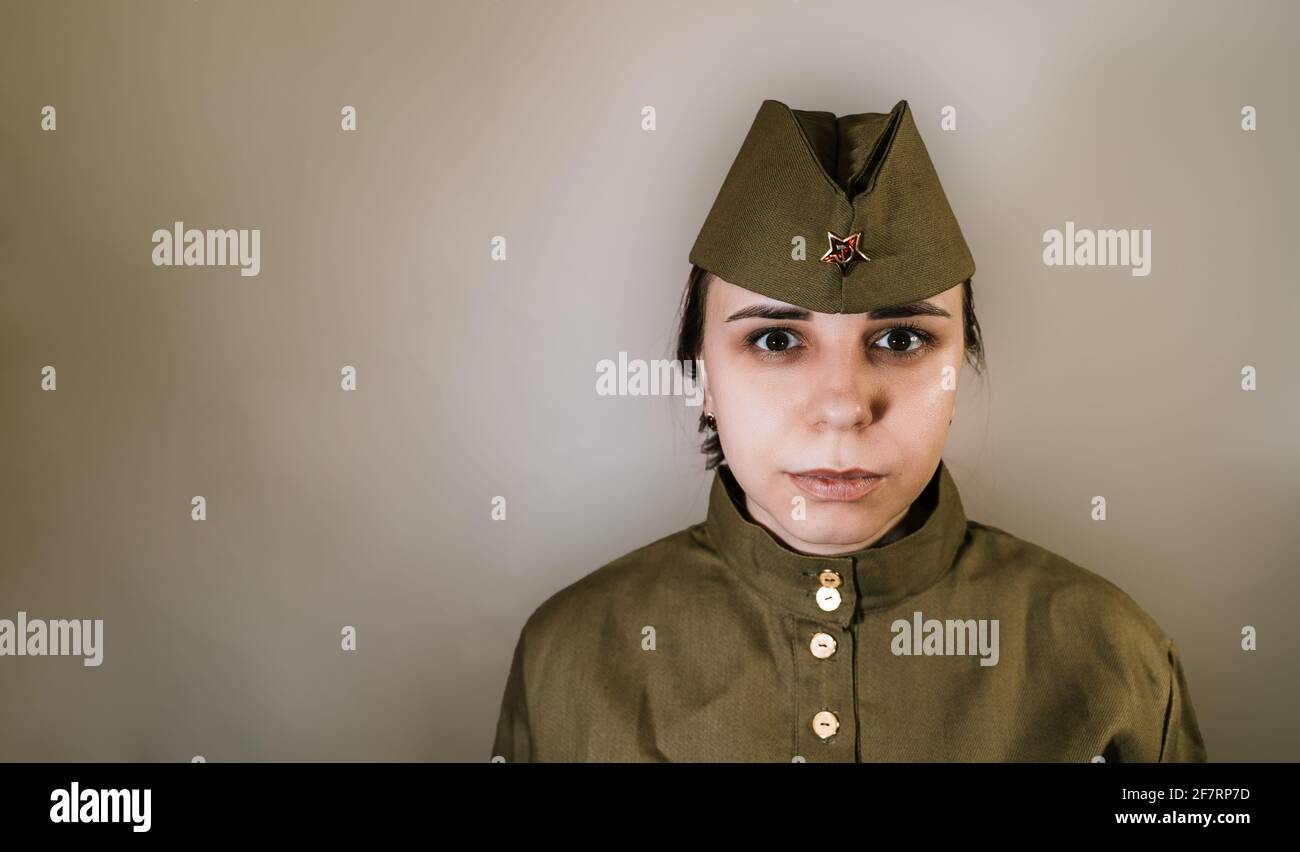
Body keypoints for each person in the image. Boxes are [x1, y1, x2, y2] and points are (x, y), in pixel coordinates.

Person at [490, 98, 1207, 762]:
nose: (842, 406)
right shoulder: (568, 657)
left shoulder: (1112, 659)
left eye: (900, 341)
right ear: (702, 376)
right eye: (775, 341)